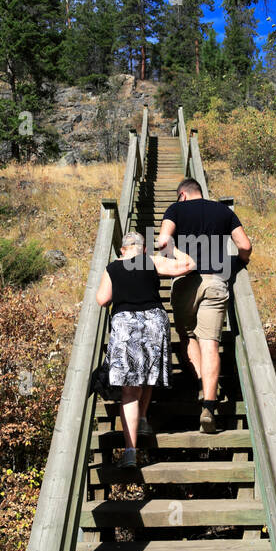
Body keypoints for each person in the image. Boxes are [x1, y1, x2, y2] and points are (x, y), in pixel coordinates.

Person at [155, 178, 252, 434]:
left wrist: (179, 260)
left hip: (186, 282)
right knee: (211, 342)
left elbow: (162, 242)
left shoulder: (176, 209)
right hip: (217, 282)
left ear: (182, 196)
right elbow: (245, 245)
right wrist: (238, 264)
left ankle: (200, 380)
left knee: (188, 335)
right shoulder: (223, 211)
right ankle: (209, 405)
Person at [96, 230, 195, 467]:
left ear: (122, 250)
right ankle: (141, 418)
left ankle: (130, 451)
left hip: (125, 325)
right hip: (154, 322)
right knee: (148, 374)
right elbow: (188, 264)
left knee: (130, 390)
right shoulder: (151, 261)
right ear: (142, 249)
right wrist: (171, 248)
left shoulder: (112, 268)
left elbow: (102, 299)